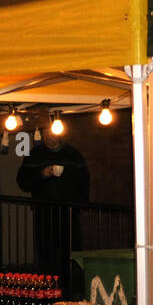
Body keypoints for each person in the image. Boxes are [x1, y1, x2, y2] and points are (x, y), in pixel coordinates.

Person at [16, 117, 89, 282]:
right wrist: (41, 175)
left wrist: (80, 203)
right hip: (44, 211)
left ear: (60, 134)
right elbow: (23, 182)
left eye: (51, 133)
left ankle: (69, 284)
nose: (49, 137)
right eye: (45, 134)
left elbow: (84, 181)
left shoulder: (72, 154)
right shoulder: (34, 155)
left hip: (68, 211)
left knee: (69, 249)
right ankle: (47, 285)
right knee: (46, 249)